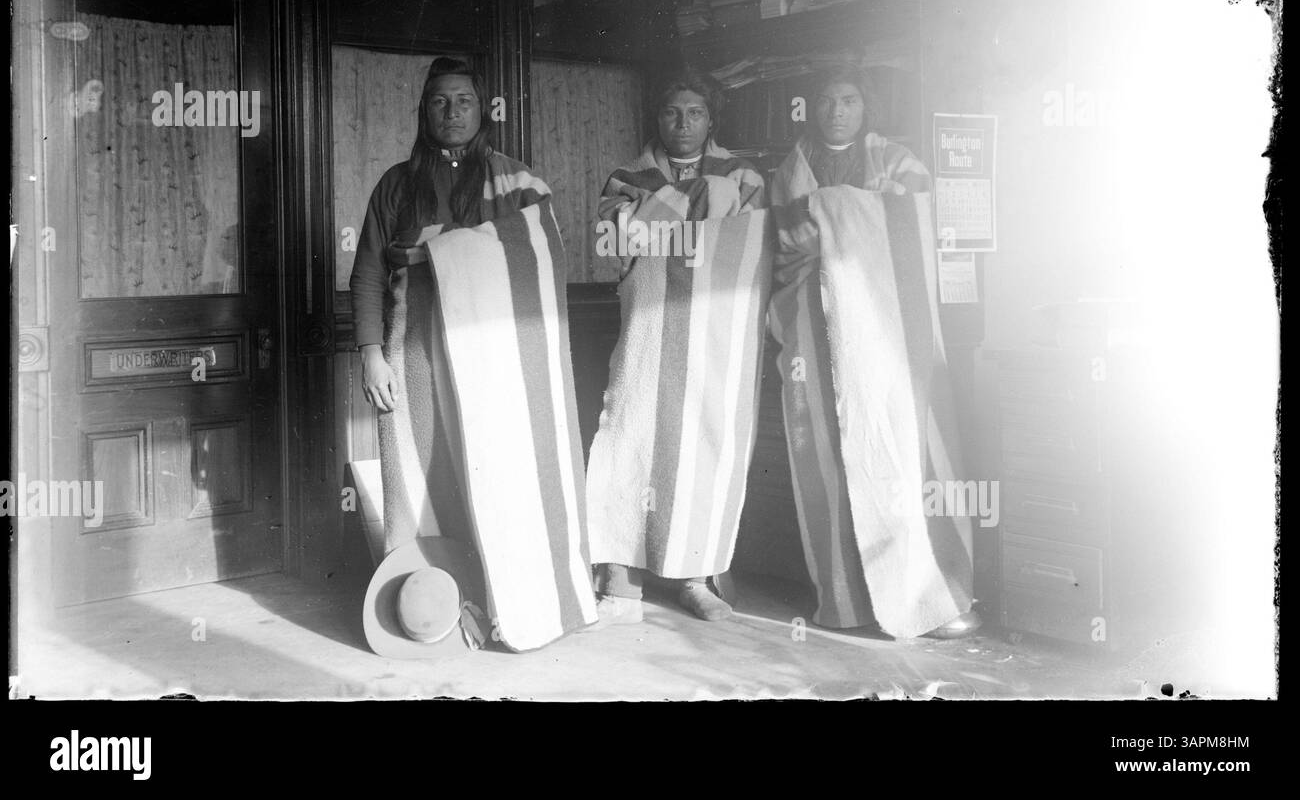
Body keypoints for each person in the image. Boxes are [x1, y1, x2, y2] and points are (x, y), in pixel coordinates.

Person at [350, 56, 595, 653]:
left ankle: (511, 599)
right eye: (439, 100)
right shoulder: (395, 184)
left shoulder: (520, 184)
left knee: (501, 466)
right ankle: (433, 603)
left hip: (494, 356)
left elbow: (541, 265)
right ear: (424, 110)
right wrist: (369, 352)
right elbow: (366, 275)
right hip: (413, 346)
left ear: (482, 109)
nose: (452, 111)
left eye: (463, 99)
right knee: (423, 470)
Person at [768, 64, 981, 640]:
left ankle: (930, 595)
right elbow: (787, 244)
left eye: (849, 101)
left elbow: (912, 227)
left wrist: (834, 215)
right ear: (811, 109)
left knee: (902, 448)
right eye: (826, 102)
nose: (837, 112)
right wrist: (854, 214)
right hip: (816, 325)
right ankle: (847, 600)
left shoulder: (896, 160)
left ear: (866, 109)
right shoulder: (789, 171)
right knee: (831, 454)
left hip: (885, 329)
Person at [585, 69, 770, 625]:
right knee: (629, 428)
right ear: (656, 120)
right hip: (648, 323)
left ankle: (696, 574)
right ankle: (621, 572)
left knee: (706, 437)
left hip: (716, 329)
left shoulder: (743, 174)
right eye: (671, 112)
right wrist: (707, 203)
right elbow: (615, 241)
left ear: (712, 119)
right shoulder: (626, 174)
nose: (682, 123)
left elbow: (748, 246)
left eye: (694, 112)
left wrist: (660, 205)